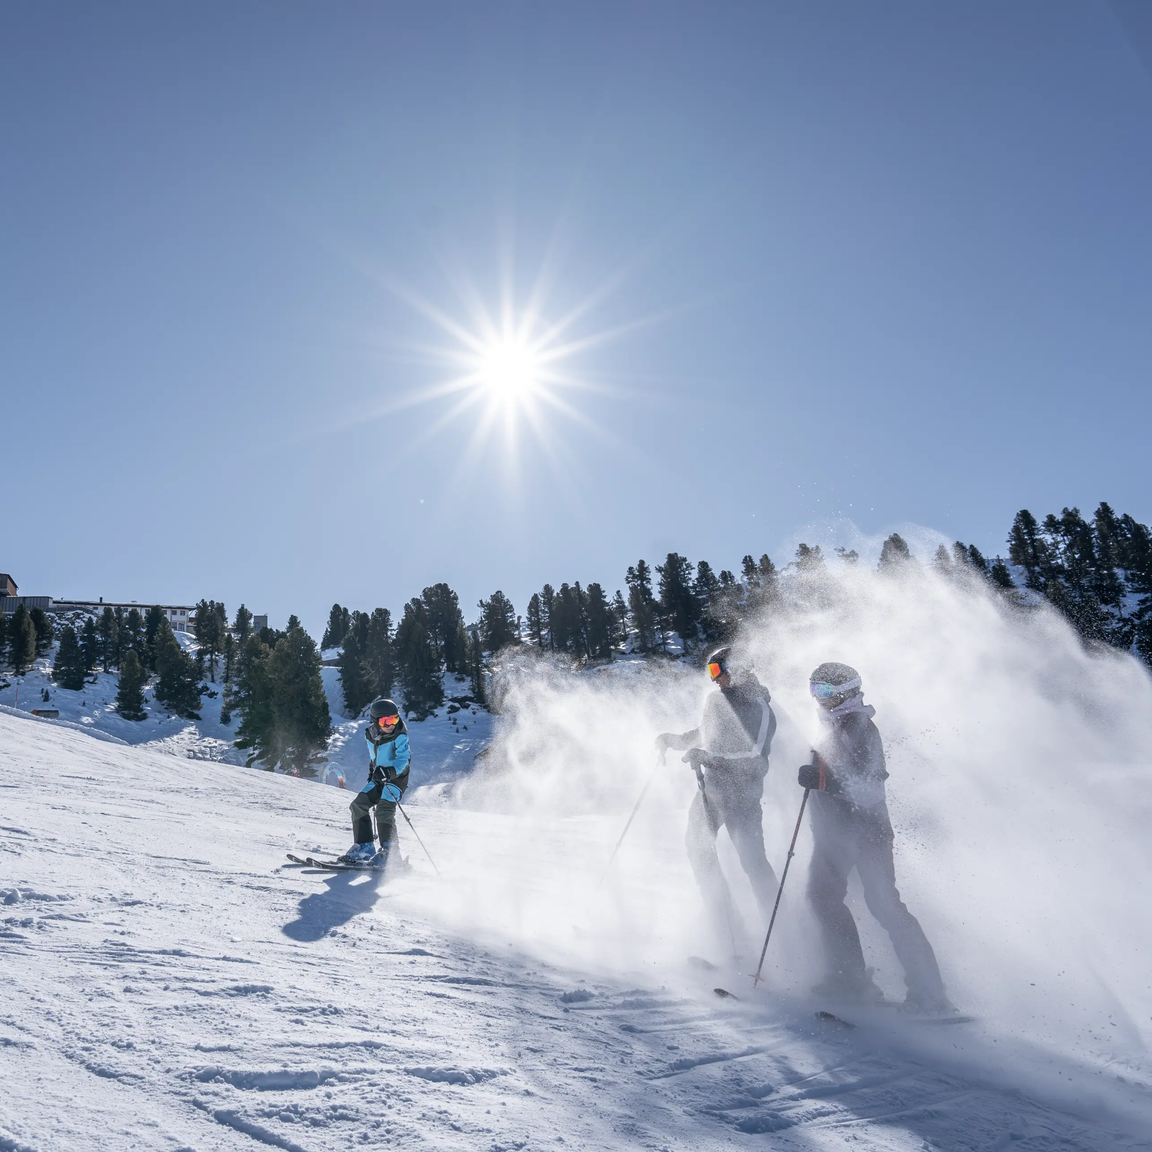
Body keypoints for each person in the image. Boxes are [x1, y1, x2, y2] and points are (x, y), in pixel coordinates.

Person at [798, 662, 951, 1014]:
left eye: (823, 691)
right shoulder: (831, 726)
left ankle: (931, 995)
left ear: (847, 691)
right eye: (813, 689)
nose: (817, 698)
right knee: (822, 897)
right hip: (835, 834)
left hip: (868, 830)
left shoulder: (860, 727)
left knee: (883, 902)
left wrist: (822, 781)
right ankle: (850, 978)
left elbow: (868, 788)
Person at [656, 647, 779, 949]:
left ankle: (781, 932)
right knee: (698, 848)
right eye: (710, 673)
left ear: (735, 669)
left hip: (743, 795)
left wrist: (709, 759)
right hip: (711, 792)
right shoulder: (716, 701)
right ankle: (725, 926)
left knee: (752, 861)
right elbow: (704, 733)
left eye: (716, 671)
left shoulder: (760, 708)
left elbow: (754, 758)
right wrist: (674, 740)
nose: (714, 680)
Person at [339, 697, 410, 866]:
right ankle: (364, 847)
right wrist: (373, 774)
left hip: (396, 779)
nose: (391, 725)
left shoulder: (400, 736)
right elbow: (374, 758)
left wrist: (390, 771)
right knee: (358, 805)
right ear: (375, 721)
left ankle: (390, 853)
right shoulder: (371, 736)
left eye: (394, 719)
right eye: (386, 721)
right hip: (378, 778)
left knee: (384, 809)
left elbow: (404, 759)